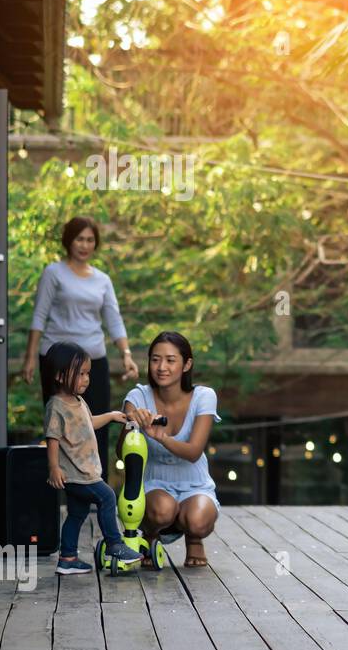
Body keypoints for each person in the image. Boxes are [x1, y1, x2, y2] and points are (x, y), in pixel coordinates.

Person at [23, 216, 139, 482]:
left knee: (97, 426)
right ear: (68, 241)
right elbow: (39, 316)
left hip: (94, 361)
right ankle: (59, 488)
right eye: (79, 239)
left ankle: (96, 487)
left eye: (90, 240)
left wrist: (126, 354)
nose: (84, 245)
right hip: (58, 361)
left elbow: (114, 319)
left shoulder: (102, 279)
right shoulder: (53, 272)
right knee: (59, 426)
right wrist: (30, 357)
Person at [119, 331, 222, 568]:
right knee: (162, 511)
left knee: (198, 520)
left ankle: (194, 539)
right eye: (155, 359)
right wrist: (131, 424)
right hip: (155, 482)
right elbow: (120, 452)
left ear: (187, 364)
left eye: (170, 360)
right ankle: (150, 537)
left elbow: (194, 451)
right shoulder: (137, 396)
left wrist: (161, 437)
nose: (161, 367)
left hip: (194, 484)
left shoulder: (204, 396)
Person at [42, 342, 144, 574]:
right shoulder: (56, 406)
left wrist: (110, 416)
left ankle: (67, 559)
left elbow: (90, 423)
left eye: (88, 373)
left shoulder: (78, 401)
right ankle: (115, 545)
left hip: (85, 470)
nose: (86, 379)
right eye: (80, 374)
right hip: (78, 474)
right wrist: (54, 467)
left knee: (76, 514)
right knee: (107, 497)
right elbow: (52, 439)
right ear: (59, 376)